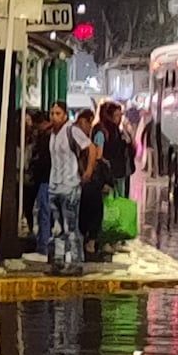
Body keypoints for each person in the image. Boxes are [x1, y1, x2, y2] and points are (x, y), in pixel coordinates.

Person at [50, 105, 97, 275]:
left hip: (70, 185)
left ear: (64, 115)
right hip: (55, 185)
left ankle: (76, 262)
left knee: (70, 226)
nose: (54, 117)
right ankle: (59, 261)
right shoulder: (53, 134)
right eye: (52, 113)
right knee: (57, 226)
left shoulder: (71, 131)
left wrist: (88, 171)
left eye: (58, 113)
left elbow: (91, 148)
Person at [74, 108, 106, 260]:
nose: (89, 127)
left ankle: (87, 240)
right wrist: (88, 172)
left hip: (81, 181)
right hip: (82, 181)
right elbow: (94, 151)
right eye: (89, 123)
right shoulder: (77, 133)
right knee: (91, 209)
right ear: (83, 121)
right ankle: (89, 241)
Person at [22, 111, 54, 263]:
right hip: (50, 178)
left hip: (46, 178)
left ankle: (43, 248)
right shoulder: (53, 135)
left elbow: (43, 160)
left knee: (44, 212)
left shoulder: (46, 136)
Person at [94, 101, 133, 197]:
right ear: (109, 116)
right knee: (116, 199)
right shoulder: (103, 131)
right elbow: (100, 154)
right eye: (116, 115)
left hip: (117, 172)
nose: (119, 118)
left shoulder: (115, 130)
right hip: (111, 173)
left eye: (120, 115)